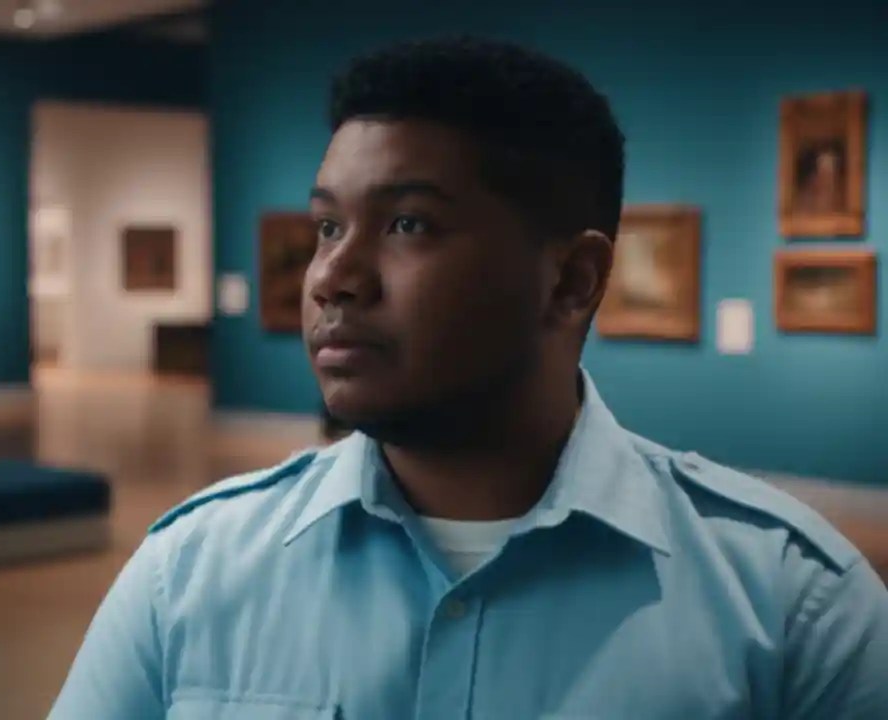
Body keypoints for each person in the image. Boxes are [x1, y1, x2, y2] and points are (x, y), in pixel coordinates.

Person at [49, 36, 888, 719]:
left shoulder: (792, 608)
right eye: (328, 225)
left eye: (408, 223)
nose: (330, 276)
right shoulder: (190, 571)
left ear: (571, 282)